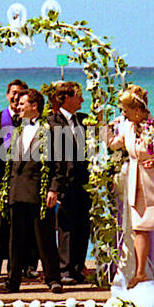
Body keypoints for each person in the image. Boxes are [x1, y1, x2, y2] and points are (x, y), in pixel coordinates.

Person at [108, 86, 154, 288]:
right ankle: (140, 273)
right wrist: (102, 125)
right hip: (136, 183)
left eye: (125, 110)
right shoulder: (128, 128)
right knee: (139, 230)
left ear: (137, 109)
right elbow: (114, 144)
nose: (123, 113)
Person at [2, 88, 63, 293]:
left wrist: (54, 189)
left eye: (22, 104)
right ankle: (13, 280)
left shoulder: (51, 130)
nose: (18, 107)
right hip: (17, 191)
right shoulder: (18, 129)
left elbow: (58, 164)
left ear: (34, 106)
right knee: (15, 239)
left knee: (44, 237)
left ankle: (53, 279)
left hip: (40, 191)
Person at [0, 79, 28, 277]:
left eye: (20, 94)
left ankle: (22, 265)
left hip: (23, 180)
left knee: (21, 223)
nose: (16, 97)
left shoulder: (30, 120)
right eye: (13, 93)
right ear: (7, 95)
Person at [51, 80, 91, 284]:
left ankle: (77, 267)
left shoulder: (84, 120)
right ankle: (64, 269)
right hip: (65, 182)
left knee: (84, 226)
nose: (82, 100)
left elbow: (94, 147)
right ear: (66, 98)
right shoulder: (53, 122)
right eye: (78, 96)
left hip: (84, 183)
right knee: (65, 227)